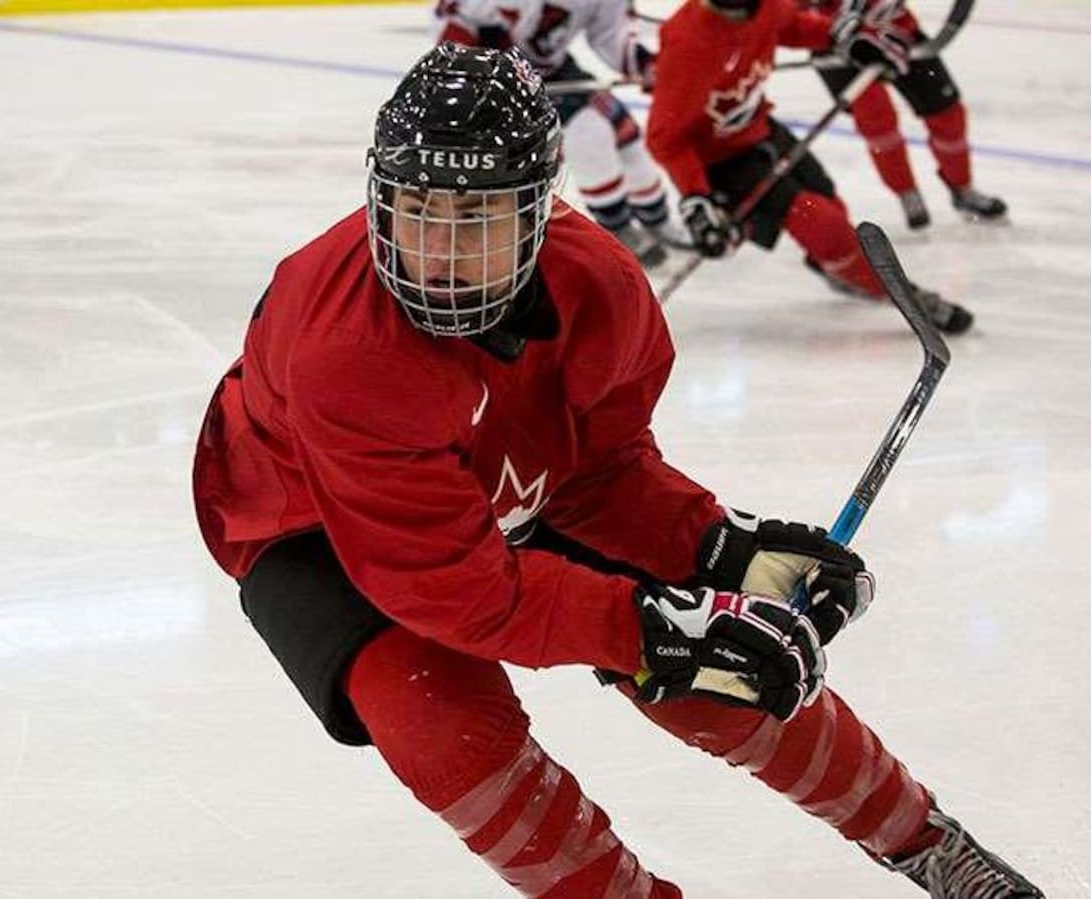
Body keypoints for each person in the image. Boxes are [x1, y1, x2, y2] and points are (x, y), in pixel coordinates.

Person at [193, 43, 1042, 898]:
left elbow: (599, 474)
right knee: (442, 730)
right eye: (416, 210)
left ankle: (926, 842)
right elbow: (458, 590)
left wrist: (719, 549)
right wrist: (653, 625)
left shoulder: (601, 287)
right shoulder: (345, 351)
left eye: (477, 216)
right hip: (303, 512)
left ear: (538, 210)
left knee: (727, 672)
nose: (439, 254)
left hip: (489, 473)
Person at [644, 0, 974, 333]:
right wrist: (697, 196)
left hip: (761, 130)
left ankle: (837, 268)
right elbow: (665, 138)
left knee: (831, 207)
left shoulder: (764, 6)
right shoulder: (688, 40)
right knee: (825, 225)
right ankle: (906, 294)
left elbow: (791, 26)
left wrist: (840, 37)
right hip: (723, 162)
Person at [435, 0, 689, 266]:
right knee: (588, 137)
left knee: (626, 136)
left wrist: (644, 64)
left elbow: (609, 34)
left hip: (554, 70)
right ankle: (617, 226)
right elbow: (456, 18)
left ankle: (656, 217)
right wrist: (474, 64)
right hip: (499, 76)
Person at [802, 0, 1007, 229]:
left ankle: (962, 187)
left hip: (897, 33)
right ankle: (906, 193)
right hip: (836, 46)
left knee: (947, 115)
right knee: (877, 122)